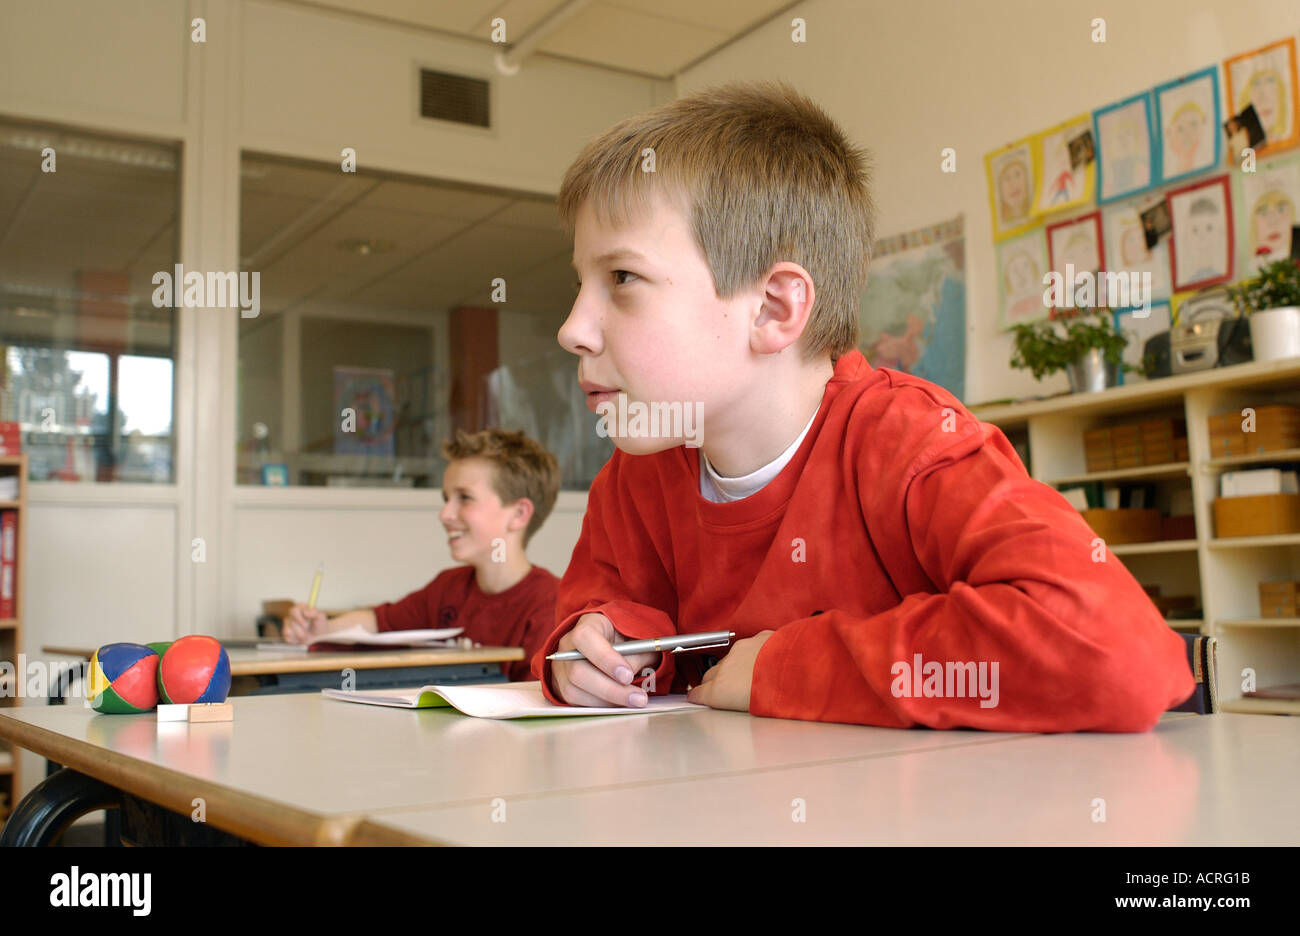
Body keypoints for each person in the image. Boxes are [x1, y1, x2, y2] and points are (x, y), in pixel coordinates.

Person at [535, 79, 1193, 731]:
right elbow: (604, 610)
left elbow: (1112, 651)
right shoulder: (635, 476)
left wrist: (787, 669)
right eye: (580, 283)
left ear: (773, 309)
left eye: (622, 278)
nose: (572, 328)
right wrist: (593, 651)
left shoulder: (908, 442)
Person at [284, 428, 561, 681]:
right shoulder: (448, 587)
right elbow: (382, 622)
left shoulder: (551, 605)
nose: (445, 514)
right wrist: (322, 630)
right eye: (446, 499)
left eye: (464, 498)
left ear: (519, 514)